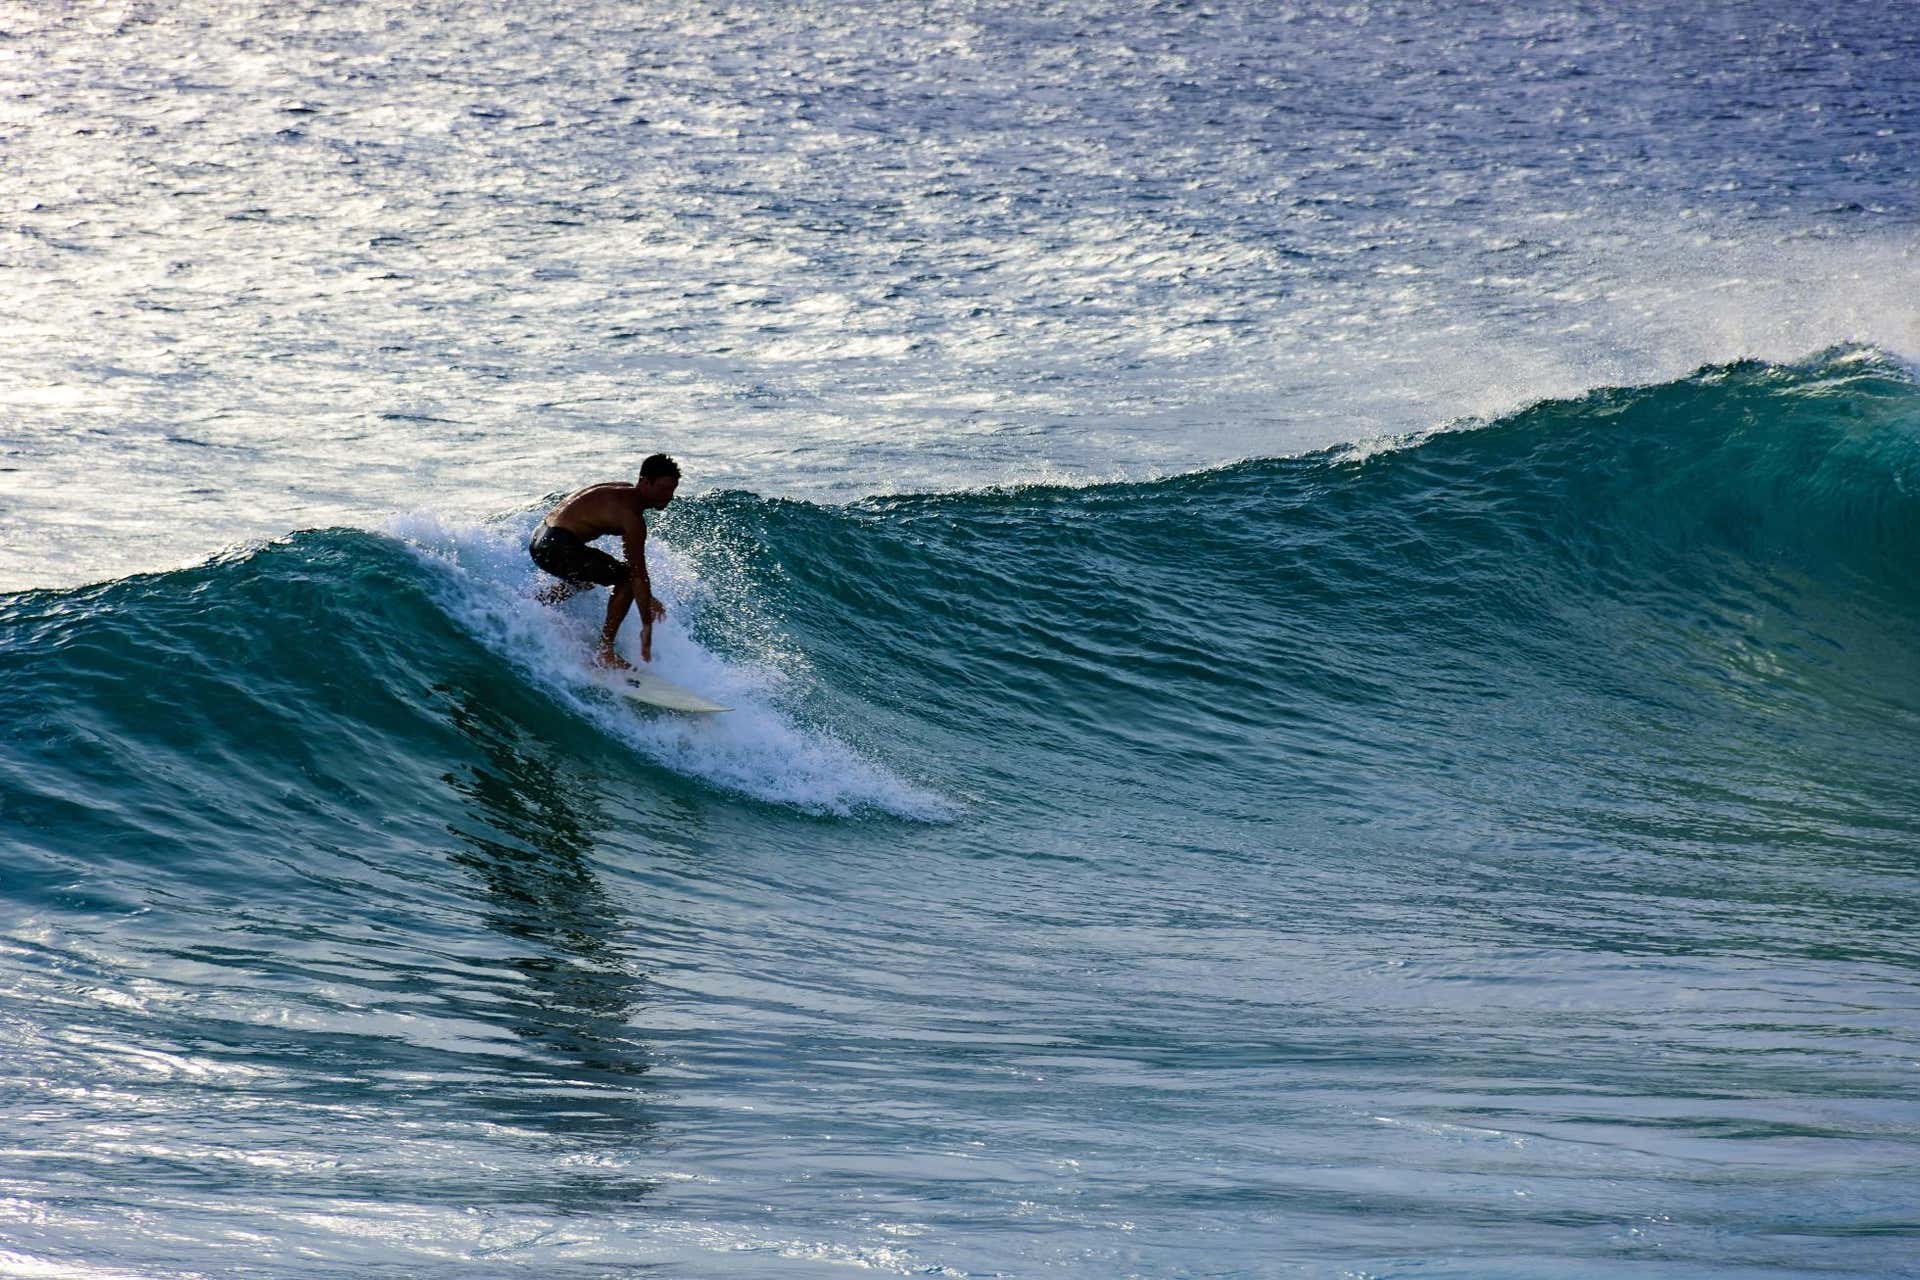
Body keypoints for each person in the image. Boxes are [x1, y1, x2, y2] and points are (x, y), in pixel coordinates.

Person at [528, 454, 680, 668]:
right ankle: (605, 651)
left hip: (540, 538)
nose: (670, 496)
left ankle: (534, 603)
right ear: (645, 482)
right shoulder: (632, 518)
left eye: (673, 489)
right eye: (664, 489)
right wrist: (648, 607)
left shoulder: (621, 490)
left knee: (584, 580)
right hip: (558, 545)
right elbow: (637, 572)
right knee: (626, 579)